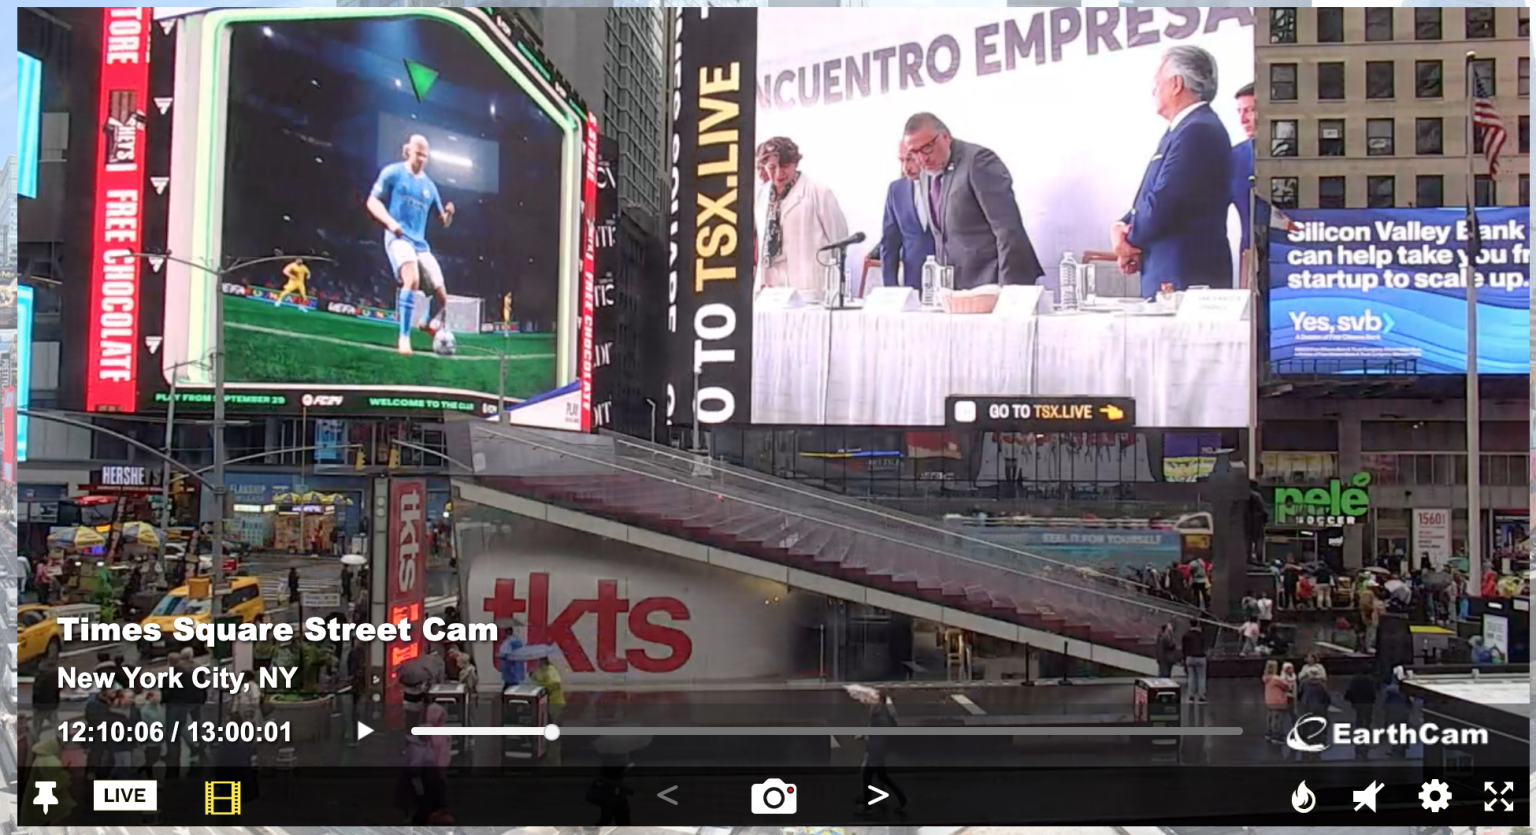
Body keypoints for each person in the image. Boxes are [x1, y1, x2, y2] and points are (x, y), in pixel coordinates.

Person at [1110, 45, 1235, 296]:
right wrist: (1121, 225)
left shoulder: (1198, 130)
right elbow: (1153, 194)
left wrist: (1127, 240)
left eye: (1158, 82)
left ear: (1176, 84)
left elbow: (1164, 203)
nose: (1153, 90)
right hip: (1170, 275)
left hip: (1185, 278)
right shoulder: (1184, 129)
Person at [903, 112, 1043, 290]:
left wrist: (1009, 291)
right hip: (956, 291)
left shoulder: (979, 161)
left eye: (927, 148)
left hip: (994, 283)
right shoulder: (926, 174)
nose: (922, 158)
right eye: (914, 152)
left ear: (945, 137)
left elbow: (1007, 230)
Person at [366, 134, 457, 355]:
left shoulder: (429, 186)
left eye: (425, 156)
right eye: (418, 154)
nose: (422, 159)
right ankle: (404, 338)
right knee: (412, 279)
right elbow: (372, 201)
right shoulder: (393, 172)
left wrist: (449, 214)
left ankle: (424, 323)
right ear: (408, 151)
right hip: (397, 237)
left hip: (420, 244)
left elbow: (443, 222)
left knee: (442, 297)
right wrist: (390, 222)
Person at [753, 136, 849, 300]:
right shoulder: (762, 195)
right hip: (771, 286)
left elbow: (840, 240)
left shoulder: (818, 192)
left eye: (785, 166)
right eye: (772, 167)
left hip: (809, 287)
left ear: (795, 163)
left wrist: (832, 284)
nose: (779, 173)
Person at [879, 138, 936, 291]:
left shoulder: (944, 184)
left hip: (948, 278)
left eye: (910, 159)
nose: (906, 168)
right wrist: (890, 287)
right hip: (913, 280)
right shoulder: (896, 190)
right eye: (902, 160)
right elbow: (889, 242)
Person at [860, 689, 909, 814]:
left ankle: (868, 806)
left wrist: (873, 755)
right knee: (881, 777)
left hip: (876, 753)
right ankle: (901, 799)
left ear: (881, 702)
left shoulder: (882, 718)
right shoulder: (875, 714)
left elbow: (880, 739)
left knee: (868, 777)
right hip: (874, 752)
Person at [1229, 82, 1259, 284]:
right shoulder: (1234, 157)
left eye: (1250, 110)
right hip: (1251, 255)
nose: (1242, 120)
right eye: (1239, 112)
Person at [1344, 672, 1377, 760]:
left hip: (1358, 702)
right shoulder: (1369, 680)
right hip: (1367, 703)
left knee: (1359, 718)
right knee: (1367, 720)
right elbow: (1372, 692)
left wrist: (1352, 700)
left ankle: (1360, 738)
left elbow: (1350, 691)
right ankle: (1366, 738)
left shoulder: (1355, 680)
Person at [1261, 660, 1291, 743]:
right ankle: (1276, 736)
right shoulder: (1276, 679)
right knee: (1277, 719)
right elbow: (1287, 686)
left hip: (1269, 700)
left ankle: (1269, 733)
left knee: (1270, 717)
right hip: (1278, 701)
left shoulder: (1266, 677)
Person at [1180, 622, 1207, 703]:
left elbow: (1184, 648)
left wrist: (1184, 658)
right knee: (1201, 677)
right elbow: (1204, 645)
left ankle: (1191, 696)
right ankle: (1201, 696)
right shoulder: (1201, 635)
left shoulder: (1186, 635)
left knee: (1191, 677)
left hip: (1190, 657)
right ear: (1197, 625)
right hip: (1200, 657)